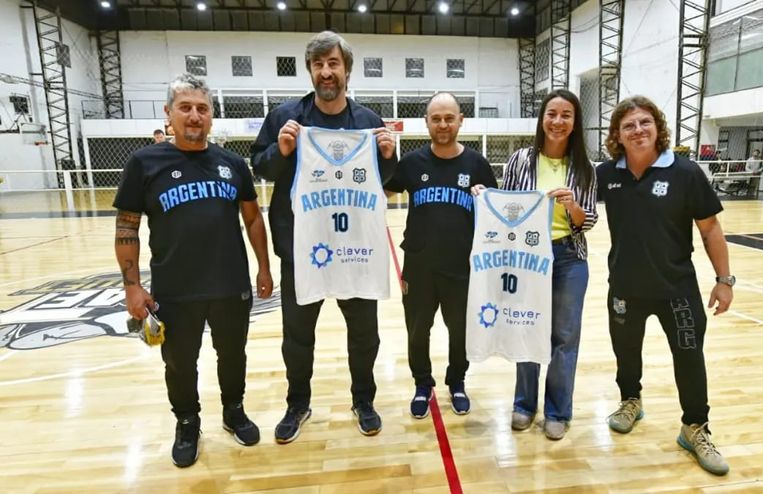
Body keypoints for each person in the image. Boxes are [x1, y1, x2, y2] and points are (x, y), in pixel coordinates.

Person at [113, 74, 274, 468]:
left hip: (229, 284)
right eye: (185, 108)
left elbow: (253, 219)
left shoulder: (232, 164)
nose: (194, 116)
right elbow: (127, 227)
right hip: (175, 287)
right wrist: (132, 287)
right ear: (169, 114)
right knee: (180, 362)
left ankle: (233, 411)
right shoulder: (144, 163)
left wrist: (264, 268)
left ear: (212, 116)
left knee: (233, 354)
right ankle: (187, 422)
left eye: (202, 108)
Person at [250, 31, 397, 443]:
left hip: (355, 250)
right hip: (302, 250)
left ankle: (363, 400)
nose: (326, 72)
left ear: (347, 70)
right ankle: (297, 404)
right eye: (318, 64)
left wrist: (388, 155)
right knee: (297, 337)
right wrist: (281, 150)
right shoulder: (285, 117)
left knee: (365, 334)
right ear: (310, 70)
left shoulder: (368, 122)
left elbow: (387, 181)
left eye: (333, 64)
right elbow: (260, 167)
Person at [597, 95, 733, 476]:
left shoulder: (686, 173)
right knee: (626, 353)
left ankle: (695, 427)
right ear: (617, 136)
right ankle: (630, 401)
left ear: (658, 128)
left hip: (677, 290)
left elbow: (711, 230)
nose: (638, 130)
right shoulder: (607, 174)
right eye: (629, 126)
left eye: (644, 123)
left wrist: (724, 281)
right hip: (625, 286)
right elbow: (579, 209)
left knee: (689, 357)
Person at [384, 92, 497, 419]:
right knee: (418, 330)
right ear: (427, 123)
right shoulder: (412, 163)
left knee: (460, 330)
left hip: (462, 267)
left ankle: (457, 381)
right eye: (436, 118)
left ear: (461, 120)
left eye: (449, 118)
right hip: (419, 265)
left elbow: (494, 213)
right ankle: (422, 383)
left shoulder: (476, 164)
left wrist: (485, 197)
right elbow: (378, 192)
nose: (443, 124)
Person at [496, 89, 598, 440]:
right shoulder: (520, 160)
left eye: (566, 115)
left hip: (570, 257)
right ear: (542, 118)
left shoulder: (585, 167)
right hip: (527, 257)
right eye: (551, 113)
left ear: (575, 122)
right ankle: (524, 405)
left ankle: (558, 411)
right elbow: (507, 209)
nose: (557, 121)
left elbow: (589, 222)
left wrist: (572, 206)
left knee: (564, 337)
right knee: (526, 330)